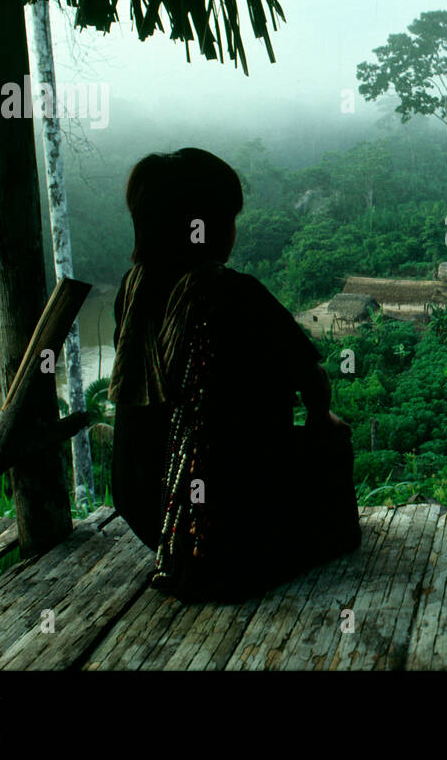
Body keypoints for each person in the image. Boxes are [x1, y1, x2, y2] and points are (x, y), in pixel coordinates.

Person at [108, 147, 360, 601]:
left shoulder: (131, 295)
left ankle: (186, 551)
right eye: (229, 217)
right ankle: (256, 550)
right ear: (208, 227)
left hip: (149, 514)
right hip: (231, 532)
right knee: (330, 441)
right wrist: (321, 419)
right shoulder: (234, 294)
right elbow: (311, 377)